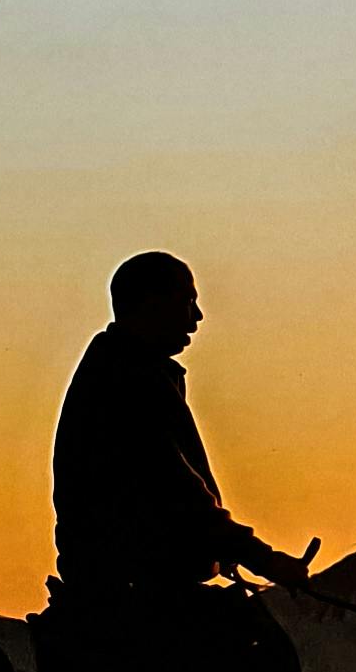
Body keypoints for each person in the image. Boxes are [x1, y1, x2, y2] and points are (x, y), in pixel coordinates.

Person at [49, 254, 315, 633]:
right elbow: (177, 493)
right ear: (153, 304)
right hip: (135, 594)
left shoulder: (122, 369)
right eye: (188, 301)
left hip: (124, 585)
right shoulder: (130, 381)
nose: (198, 317)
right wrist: (265, 560)